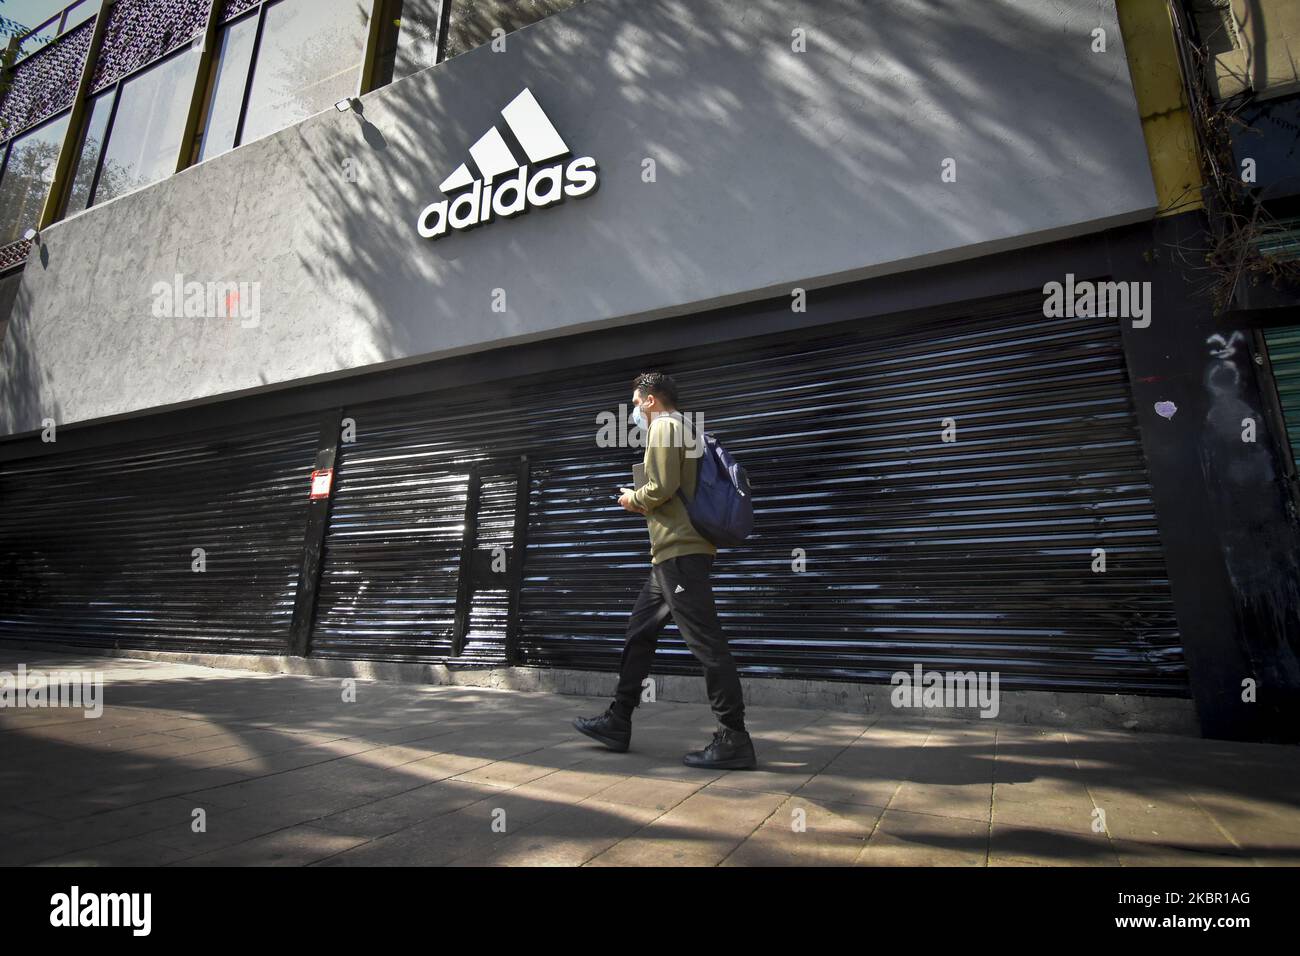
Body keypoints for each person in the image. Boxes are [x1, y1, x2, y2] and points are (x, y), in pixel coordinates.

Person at [572, 371, 756, 769]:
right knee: (639, 633)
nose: (635, 410)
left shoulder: (665, 427)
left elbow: (660, 488)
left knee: (707, 643)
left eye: (636, 402)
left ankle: (734, 737)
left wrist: (630, 498)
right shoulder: (686, 429)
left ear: (651, 399)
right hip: (669, 557)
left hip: (680, 554)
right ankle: (618, 721)